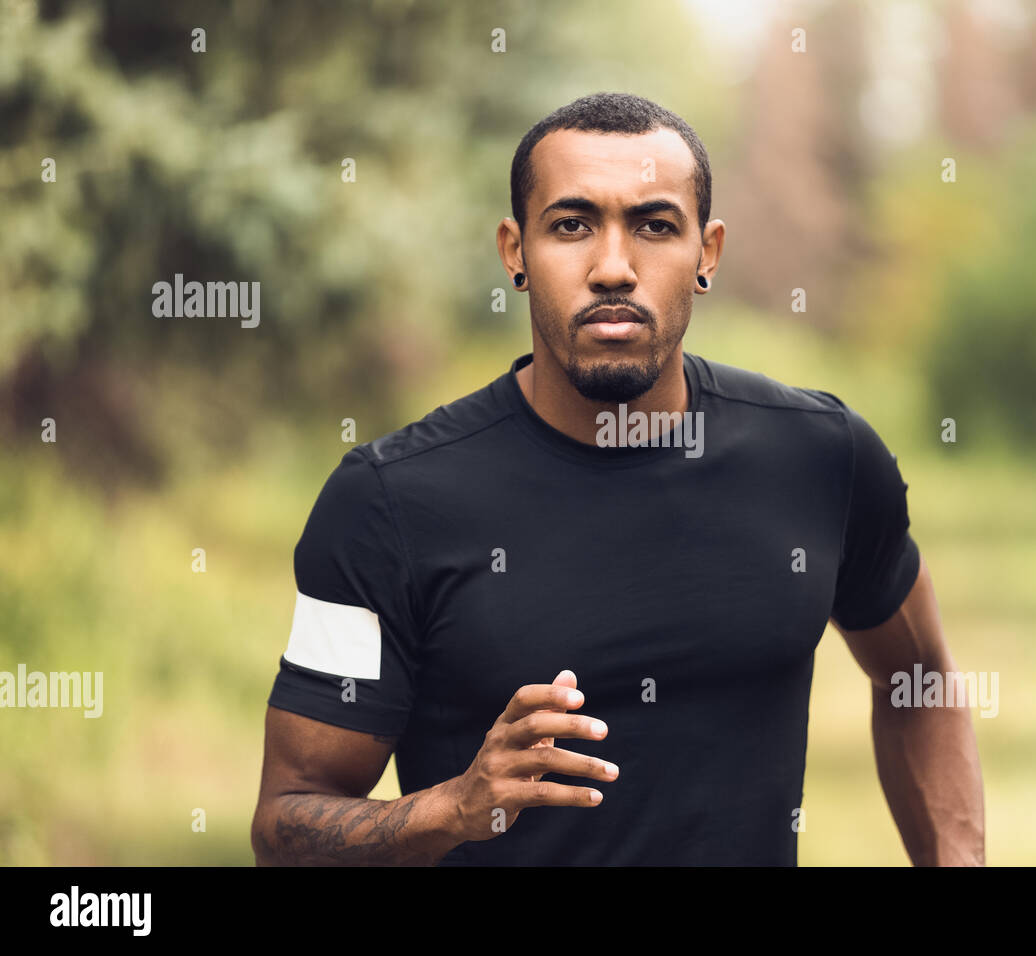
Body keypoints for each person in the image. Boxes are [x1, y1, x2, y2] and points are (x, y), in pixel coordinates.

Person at [251, 91, 984, 866]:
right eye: (571, 225)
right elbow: (283, 826)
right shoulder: (389, 501)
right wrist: (451, 810)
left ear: (708, 252)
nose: (612, 268)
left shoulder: (819, 456)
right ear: (514, 251)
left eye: (654, 225)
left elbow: (920, 675)